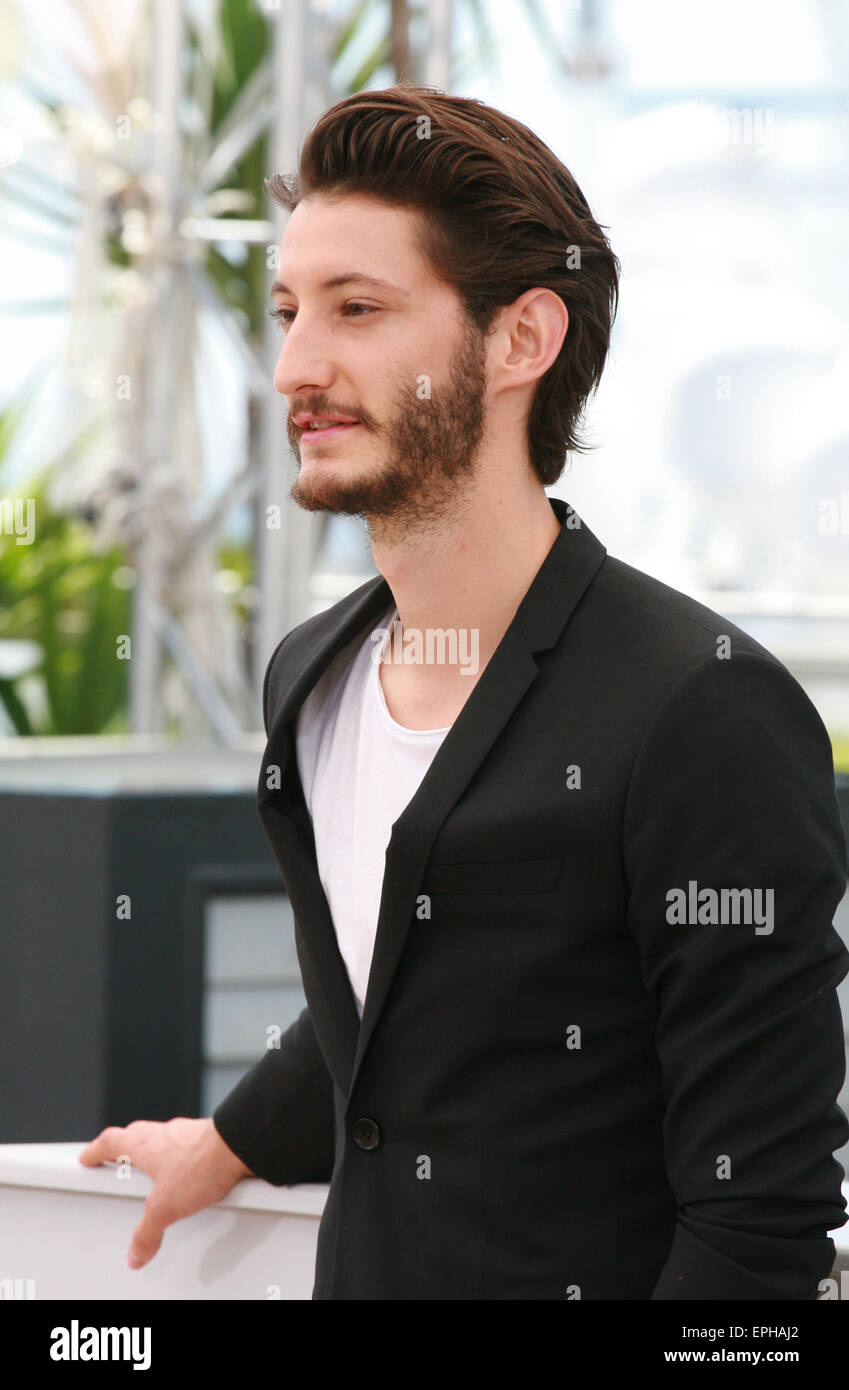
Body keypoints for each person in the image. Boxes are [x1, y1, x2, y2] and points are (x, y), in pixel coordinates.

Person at [80, 84, 849, 1299]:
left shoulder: (701, 711)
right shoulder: (312, 676)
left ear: (520, 341)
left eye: (358, 310)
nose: (295, 367)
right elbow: (391, 1010)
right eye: (288, 311)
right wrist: (227, 1144)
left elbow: (761, 1223)